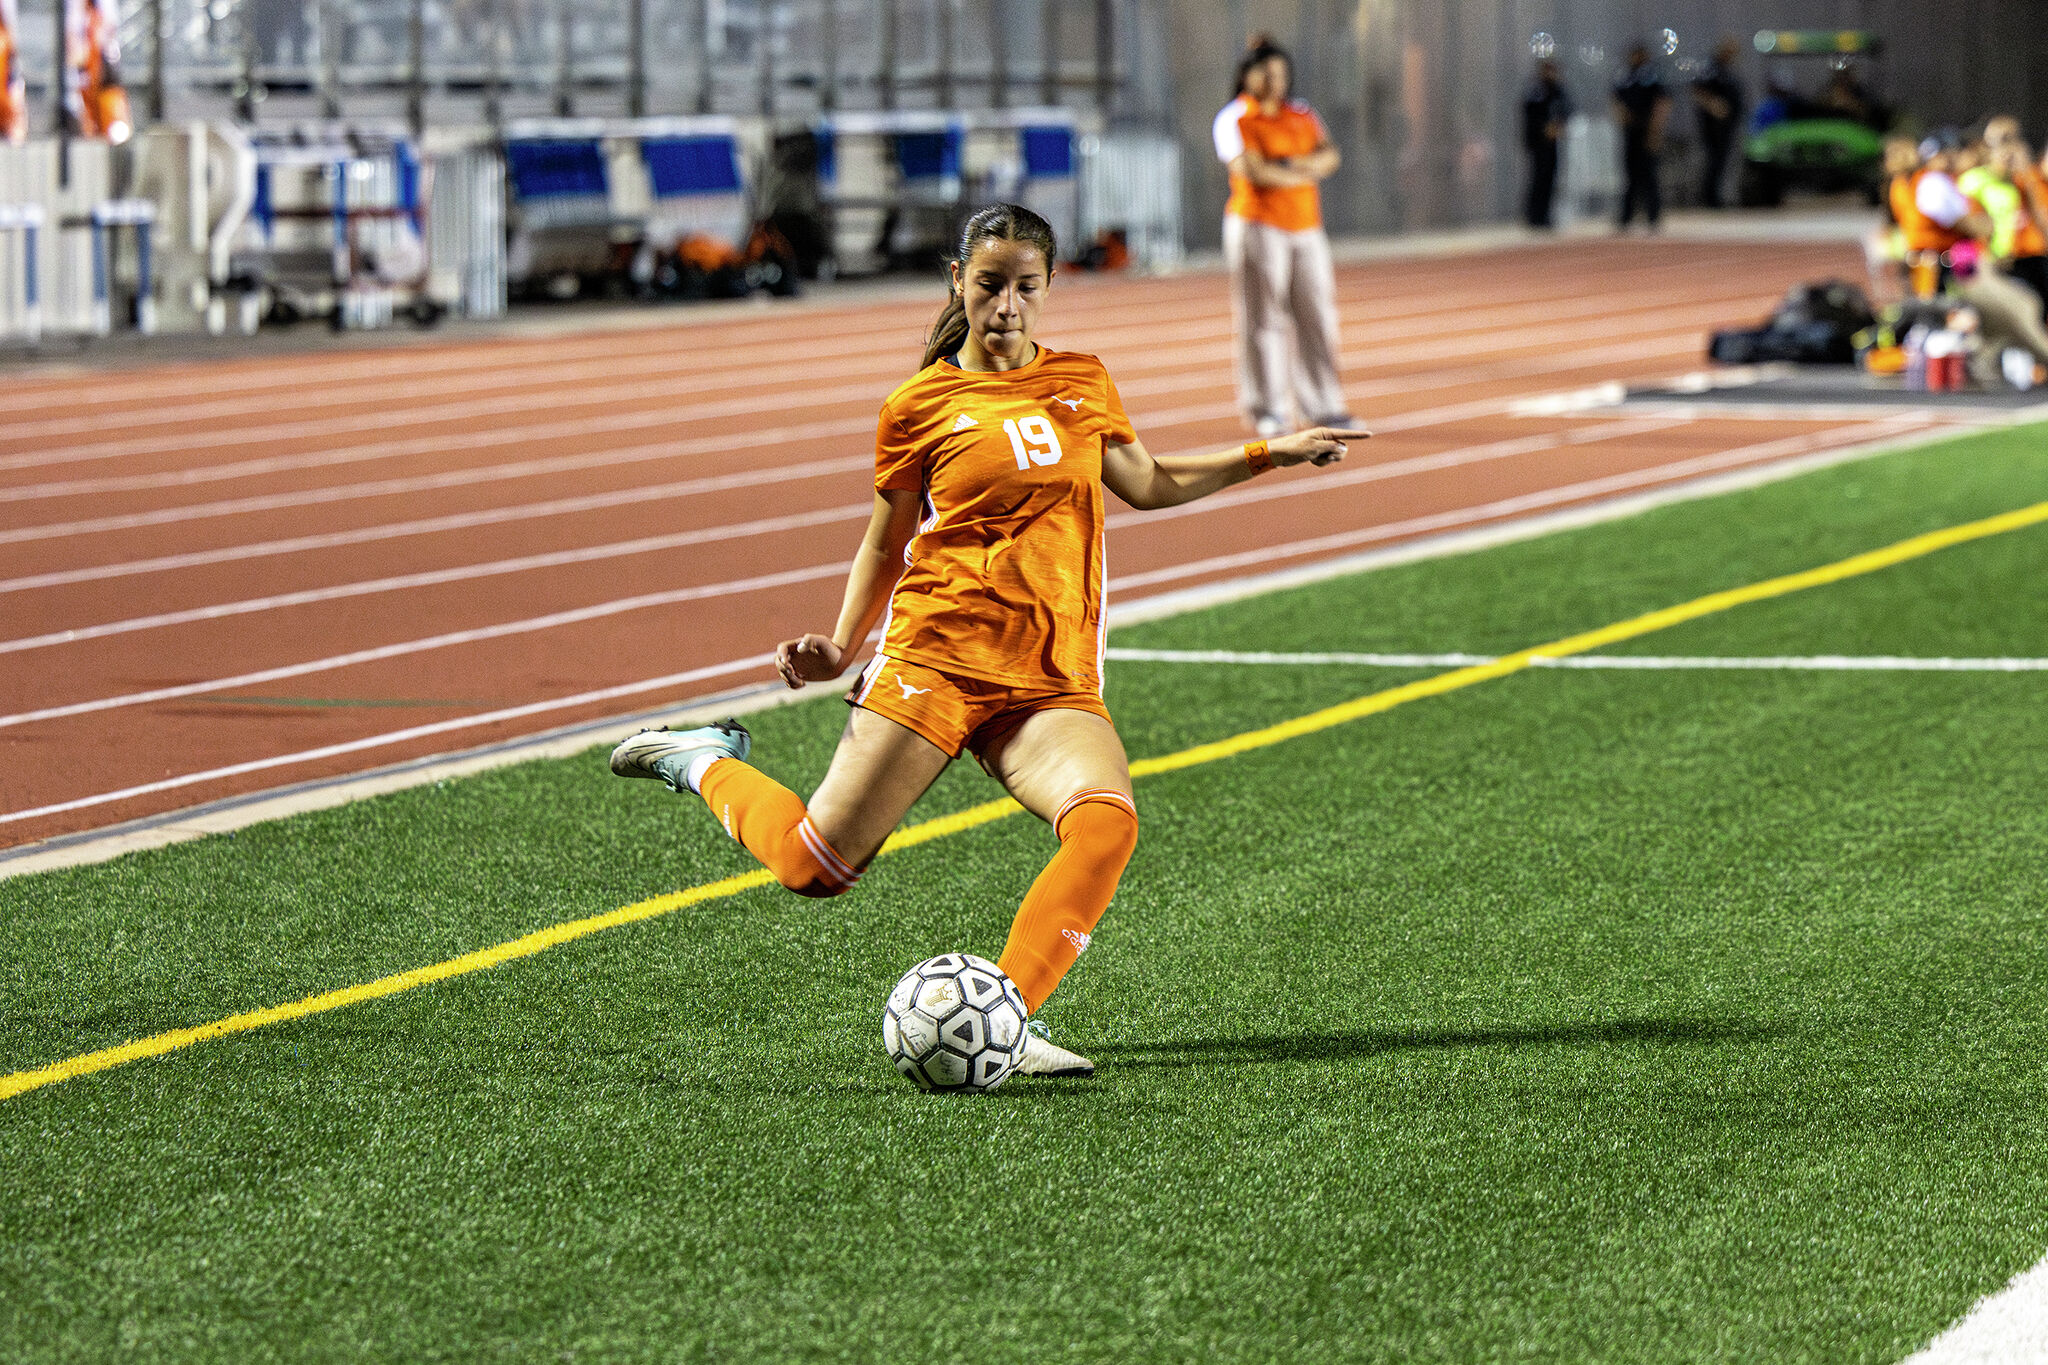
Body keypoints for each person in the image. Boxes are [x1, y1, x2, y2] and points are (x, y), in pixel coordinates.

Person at [608, 204, 1367, 1078]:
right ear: (958, 282)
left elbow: (1149, 481)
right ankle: (701, 758)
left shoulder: (1083, 380)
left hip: (1048, 675)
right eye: (990, 284)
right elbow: (886, 543)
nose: (1007, 305)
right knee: (813, 868)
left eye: (1025, 287)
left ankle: (1003, 1017)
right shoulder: (918, 405)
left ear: (1049, 287)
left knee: (1105, 825)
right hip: (937, 657)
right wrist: (843, 645)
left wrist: (1271, 452)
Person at [1212, 38, 1353, 438]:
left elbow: (1331, 156)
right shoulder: (1235, 117)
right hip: (1259, 225)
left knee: (1318, 316)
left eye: (1281, 74)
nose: (1275, 81)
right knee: (1263, 319)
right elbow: (1251, 170)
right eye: (1266, 73)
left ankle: (1324, 404)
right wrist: (1303, 171)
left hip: (1306, 226)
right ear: (1247, 75)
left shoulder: (1302, 113)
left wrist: (1287, 166)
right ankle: (1268, 409)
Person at [1612, 44, 1672, 231]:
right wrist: (1621, 117)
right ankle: (1626, 216)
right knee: (1630, 175)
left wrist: (1655, 130)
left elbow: (1663, 102)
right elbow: (1615, 99)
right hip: (1631, 131)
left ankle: (1653, 216)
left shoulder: (1652, 76)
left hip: (1647, 129)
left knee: (1649, 175)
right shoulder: (1625, 76)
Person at [1691, 38, 1744, 209]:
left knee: (1721, 161)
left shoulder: (1726, 70)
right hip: (1714, 126)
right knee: (1714, 161)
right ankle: (1710, 198)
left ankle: (1716, 196)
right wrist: (1713, 105)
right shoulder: (1710, 68)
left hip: (1727, 125)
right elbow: (1697, 90)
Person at [1520, 58, 1571, 228]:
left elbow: (1567, 109)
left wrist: (1559, 125)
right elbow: (1531, 114)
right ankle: (1534, 215)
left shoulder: (1558, 90)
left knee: (1550, 178)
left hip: (1552, 142)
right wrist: (1544, 128)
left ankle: (1545, 214)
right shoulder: (1535, 90)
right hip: (1538, 141)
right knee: (1538, 178)